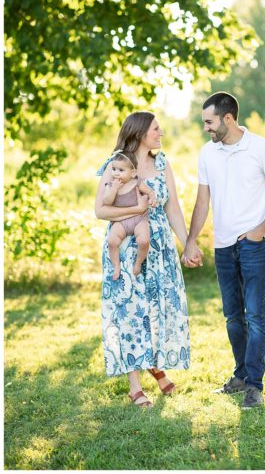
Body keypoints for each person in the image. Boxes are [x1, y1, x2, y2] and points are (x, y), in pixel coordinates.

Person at [182, 92, 265, 409]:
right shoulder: (207, 154)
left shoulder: (260, 148)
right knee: (233, 318)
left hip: (253, 246)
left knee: (256, 316)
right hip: (223, 247)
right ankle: (241, 376)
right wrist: (191, 240)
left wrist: (259, 231)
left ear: (227, 118)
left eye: (209, 121)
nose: (206, 128)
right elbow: (202, 201)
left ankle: (255, 387)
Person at [95, 112, 191, 408]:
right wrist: (137, 212)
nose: (161, 133)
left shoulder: (162, 163)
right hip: (125, 246)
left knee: (156, 308)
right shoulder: (116, 164)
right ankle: (135, 386)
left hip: (159, 249)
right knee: (130, 310)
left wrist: (188, 244)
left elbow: (173, 207)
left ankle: (156, 365)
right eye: (155, 129)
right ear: (138, 134)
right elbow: (101, 210)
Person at [101, 150, 157, 280]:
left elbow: (150, 192)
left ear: (133, 173)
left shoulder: (136, 182)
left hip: (139, 219)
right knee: (112, 241)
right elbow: (106, 202)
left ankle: (138, 263)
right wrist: (114, 189)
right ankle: (116, 266)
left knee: (144, 240)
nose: (116, 173)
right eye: (114, 169)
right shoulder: (110, 185)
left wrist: (152, 198)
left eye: (121, 170)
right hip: (122, 221)